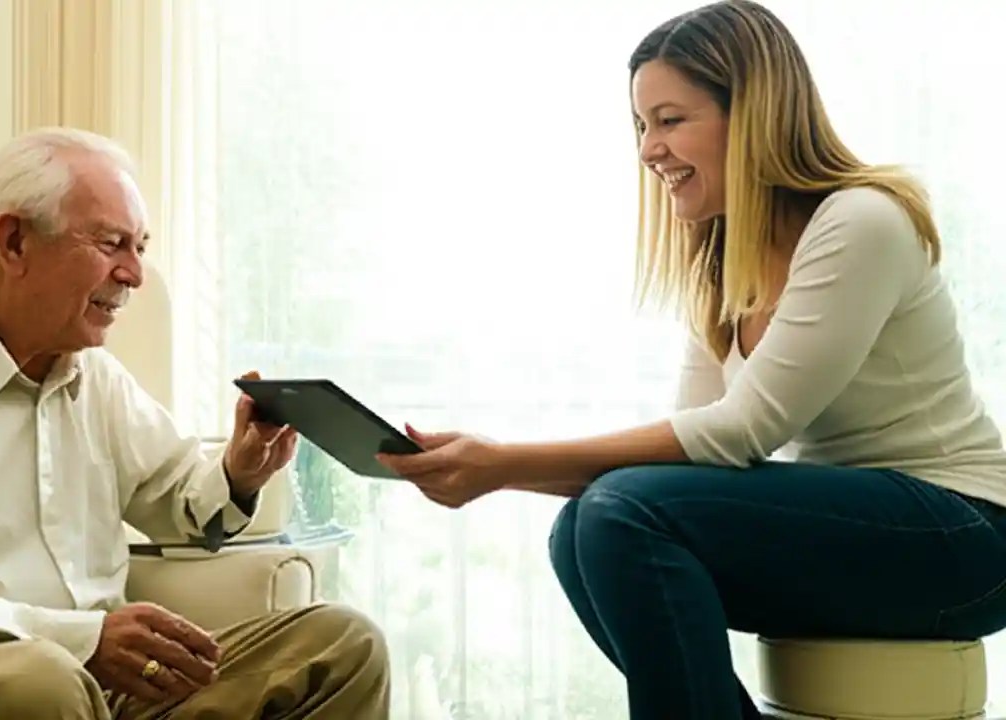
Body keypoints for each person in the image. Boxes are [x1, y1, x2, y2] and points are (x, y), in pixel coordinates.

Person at [377, 1, 1006, 718]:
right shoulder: (723, 259)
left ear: (755, 115)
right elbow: (688, 462)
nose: (649, 149)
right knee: (580, 533)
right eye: (641, 126)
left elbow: (741, 431)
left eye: (670, 120)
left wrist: (503, 464)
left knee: (616, 515)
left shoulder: (861, 220)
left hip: (966, 536)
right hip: (866, 531)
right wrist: (494, 470)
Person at [0, 127, 389, 720]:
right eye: (113, 244)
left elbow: (178, 495)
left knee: (343, 644)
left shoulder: (98, 380)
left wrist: (239, 472)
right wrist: (77, 639)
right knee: (43, 681)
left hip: (110, 683)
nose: (134, 274)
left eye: (140, 247)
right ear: (15, 242)